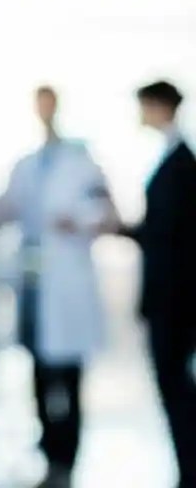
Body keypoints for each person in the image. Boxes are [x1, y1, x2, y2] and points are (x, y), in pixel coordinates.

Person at [0, 86, 118, 487]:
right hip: (34, 281)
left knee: (69, 377)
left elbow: (107, 213)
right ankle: (49, 452)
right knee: (38, 371)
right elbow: (5, 209)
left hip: (67, 282)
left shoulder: (81, 160)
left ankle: (66, 460)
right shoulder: (26, 164)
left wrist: (79, 221)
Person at [123, 80, 196, 487]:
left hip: (175, 298)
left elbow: (171, 236)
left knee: (175, 385)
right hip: (174, 296)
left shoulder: (182, 164)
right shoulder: (178, 159)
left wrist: (121, 229)